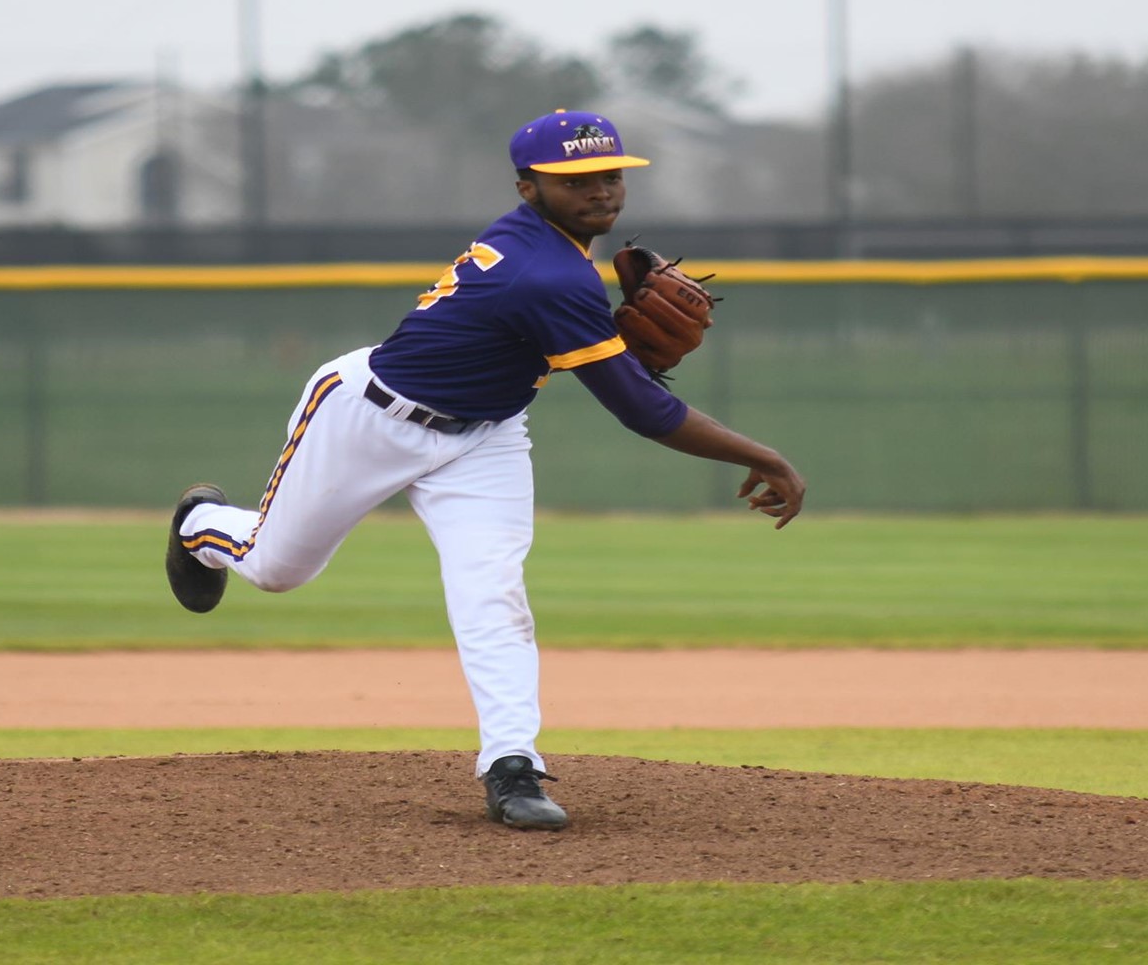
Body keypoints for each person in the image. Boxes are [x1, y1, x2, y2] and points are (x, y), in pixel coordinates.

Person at [165, 109, 806, 830]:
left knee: (492, 594)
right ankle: (202, 523)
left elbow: (606, 374)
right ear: (529, 187)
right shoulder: (549, 275)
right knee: (279, 569)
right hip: (369, 419)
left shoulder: (553, 250)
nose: (600, 190)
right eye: (575, 178)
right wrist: (764, 456)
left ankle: (512, 767)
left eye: (610, 174)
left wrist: (612, 350)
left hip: (486, 437)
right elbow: (641, 411)